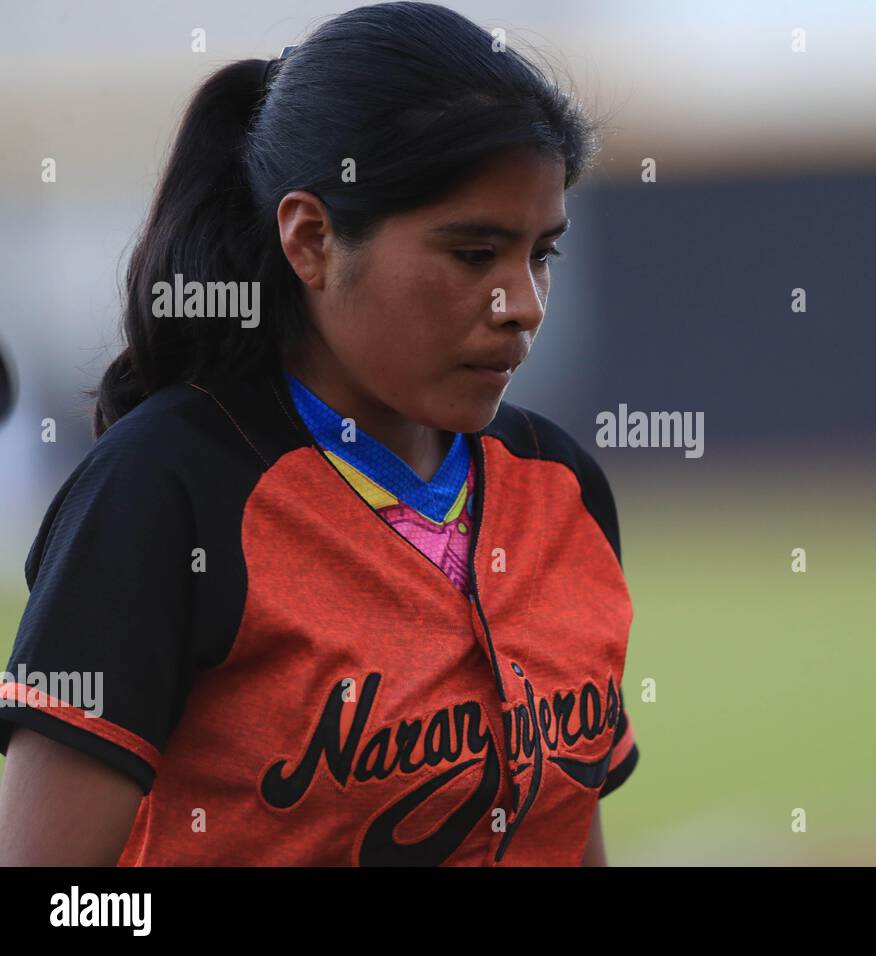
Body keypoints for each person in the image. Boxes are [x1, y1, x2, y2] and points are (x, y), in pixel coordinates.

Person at [0, 1, 638, 866]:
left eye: (542, 255)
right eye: (473, 254)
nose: (521, 304)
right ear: (312, 240)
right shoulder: (163, 489)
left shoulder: (560, 485)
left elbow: (566, 841)